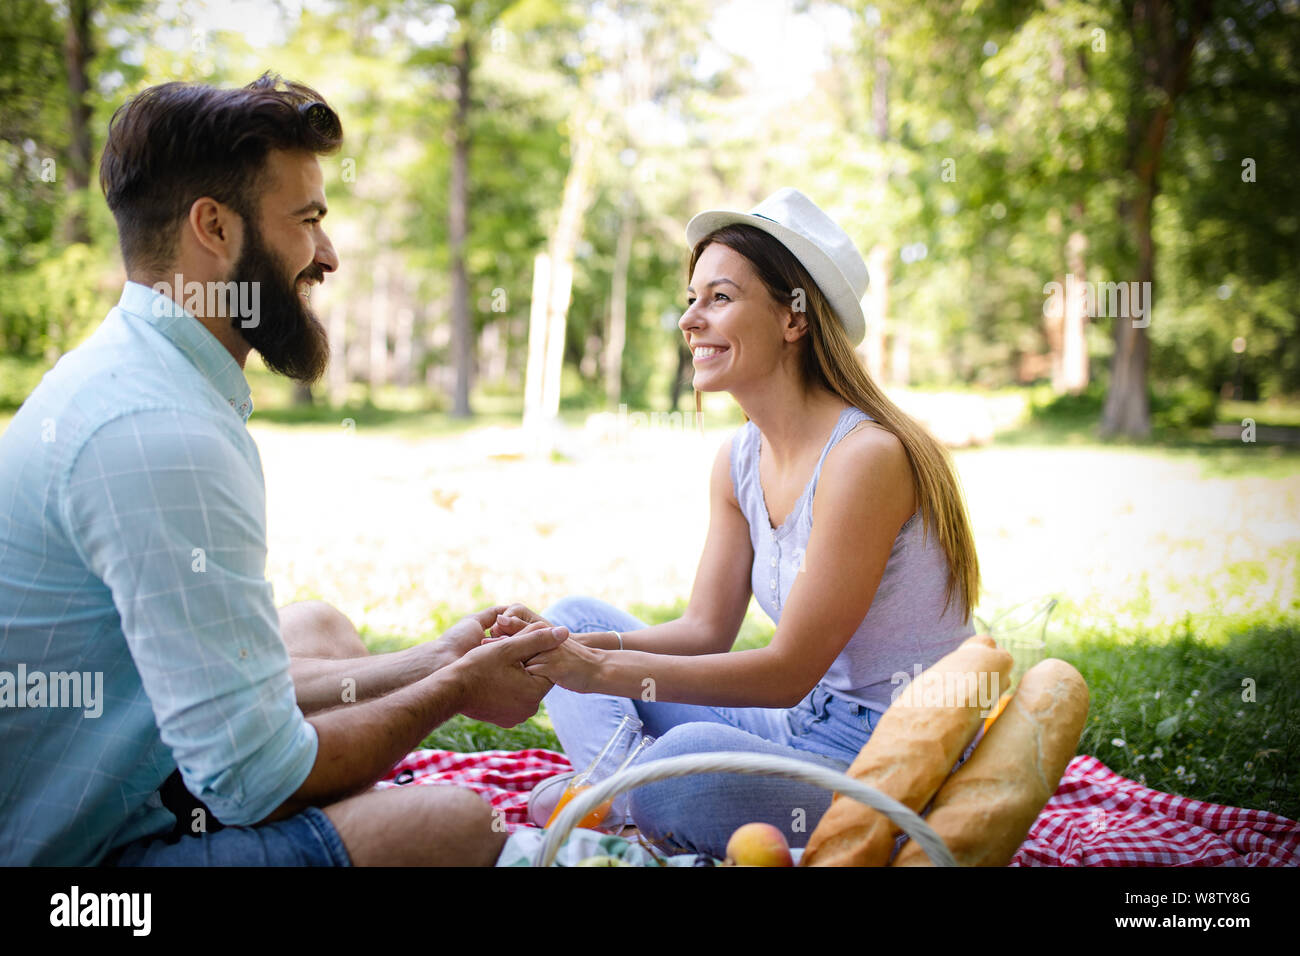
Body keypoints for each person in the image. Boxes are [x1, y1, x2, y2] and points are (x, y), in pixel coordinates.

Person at [0, 73, 568, 866]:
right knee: (456, 824)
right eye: (307, 221)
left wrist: (441, 657)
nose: (327, 255)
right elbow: (255, 779)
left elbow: (219, 698)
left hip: (129, 758)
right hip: (81, 876)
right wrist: (456, 692)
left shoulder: (132, 372)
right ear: (215, 228)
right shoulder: (160, 432)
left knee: (322, 632)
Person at [491, 188, 981, 857]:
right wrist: (573, 647)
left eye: (719, 298)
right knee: (571, 615)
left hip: (890, 761)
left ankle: (625, 795)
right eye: (691, 299)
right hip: (799, 726)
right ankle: (623, 793)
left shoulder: (866, 459)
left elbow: (786, 672)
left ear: (794, 320)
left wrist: (596, 672)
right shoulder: (740, 459)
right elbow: (704, 632)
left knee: (687, 761)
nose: (690, 320)